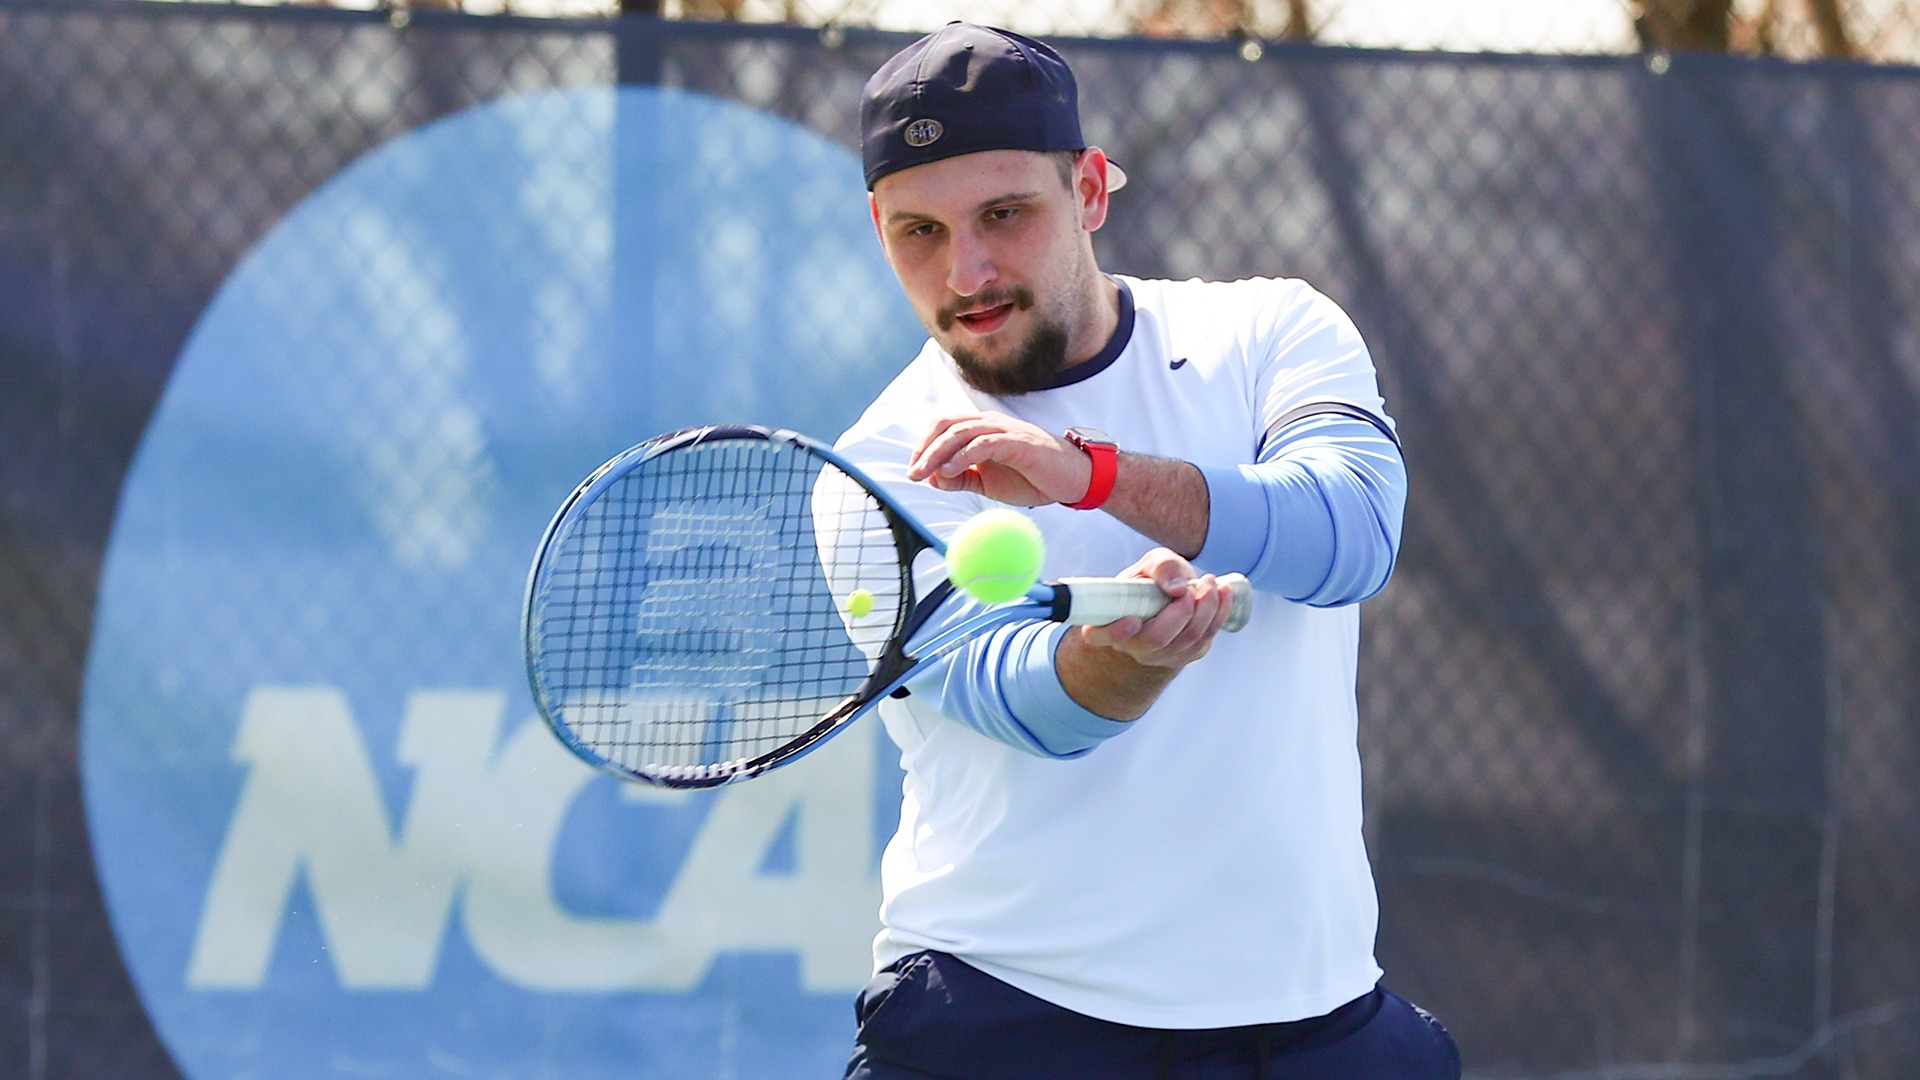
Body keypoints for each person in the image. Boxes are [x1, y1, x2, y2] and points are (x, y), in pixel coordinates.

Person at [834, 22, 1457, 1080]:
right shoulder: (878, 464)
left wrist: (1093, 476)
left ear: (1087, 192)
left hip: (1307, 1019)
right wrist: (1129, 657)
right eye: (919, 232)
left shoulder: (1272, 333)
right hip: (1003, 1019)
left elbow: (1353, 536)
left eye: (1004, 214)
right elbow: (1006, 697)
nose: (966, 269)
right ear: (877, 226)